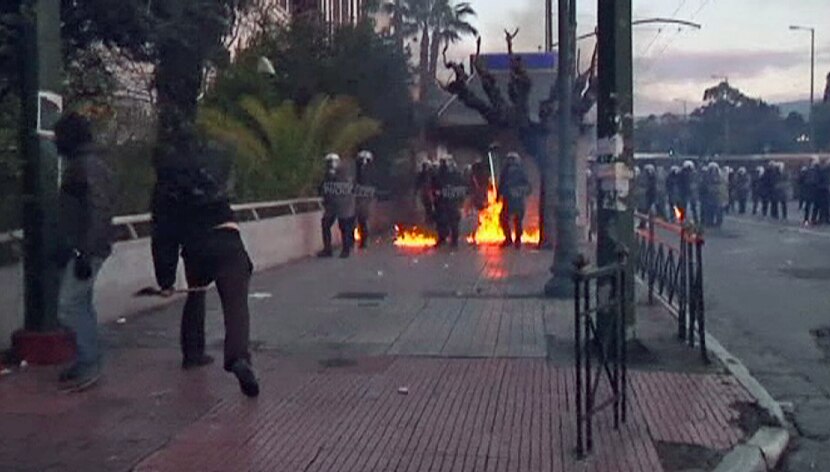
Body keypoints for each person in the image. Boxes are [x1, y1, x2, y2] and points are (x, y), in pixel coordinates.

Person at [151, 137, 259, 397]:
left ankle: (192, 352)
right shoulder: (208, 175)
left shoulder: (164, 192)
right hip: (227, 242)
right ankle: (237, 357)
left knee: (195, 294)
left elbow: (163, 238)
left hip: (196, 249)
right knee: (236, 306)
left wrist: (165, 281)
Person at [53, 112, 115, 392]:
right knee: (81, 303)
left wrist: (84, 253)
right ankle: (86, 359)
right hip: (87, 247)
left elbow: (97, 210)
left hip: (87, 249)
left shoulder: (85, 166)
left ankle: (89, 362)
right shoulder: (87, 163)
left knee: (68, 306)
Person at [318, 153, 356, 258]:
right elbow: (323, 189)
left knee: (344, 227)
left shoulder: (344, 174)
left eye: (332, 162)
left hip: (343, 205)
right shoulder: (327, 176)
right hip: (331, 206)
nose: (331, 165)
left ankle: (346, 250)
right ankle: (328, 249)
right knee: (325, 224)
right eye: (329, 163)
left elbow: (349, 188)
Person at [498, 152, 531, 248]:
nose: (510, 162)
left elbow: (528, 187)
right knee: (503, 218)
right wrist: (498, 196)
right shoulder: (505, 172)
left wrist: (518, 191)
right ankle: (508, 239)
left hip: (517, 200)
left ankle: (517, 240)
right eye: (509, 159)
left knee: (517, 220)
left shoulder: (521, 172)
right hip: (507, 199)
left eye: (512, 159)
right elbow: (501, 184)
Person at [433, 156, 466, 248]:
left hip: (448, 201)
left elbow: (461, 187)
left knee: (450, 221)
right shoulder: (440, 175)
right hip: (444, 202)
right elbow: (435, 187)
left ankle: (451, 240)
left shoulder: (453, 175)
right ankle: (447, 239)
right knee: (444, 221)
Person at [354, 150, 376, 249]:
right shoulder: (358, 171)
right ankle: (360, 240)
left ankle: (364, 241)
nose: (363, 162)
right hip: (359, 197)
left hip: (364, 198)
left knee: (363, 219)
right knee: (358, 219)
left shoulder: (369, 172)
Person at [416, 160, 435, 224]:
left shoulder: (422, 174)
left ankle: (429, 218)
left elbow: (417, 183)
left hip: (425, 192)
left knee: (428, 206)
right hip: (427, 192)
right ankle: (430, 218)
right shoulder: (429, 174)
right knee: (429, 206)